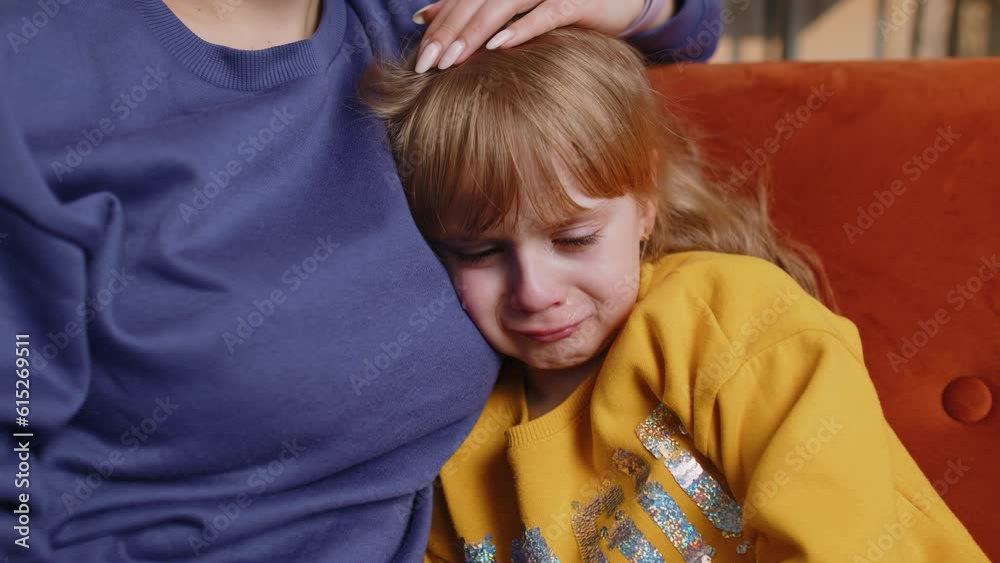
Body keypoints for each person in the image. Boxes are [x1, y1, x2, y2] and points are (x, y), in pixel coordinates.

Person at [0, 0, 720, 561]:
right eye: (479, 251)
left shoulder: (414, 21)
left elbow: (693, 25)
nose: (533, 289)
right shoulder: (38, 68)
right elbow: (18, 482)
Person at [359, 25, 991, 562]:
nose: (536, 291)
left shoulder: (731, 319)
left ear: (644, 208)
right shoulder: (451, 428)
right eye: (481, 252)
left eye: (574, 239)